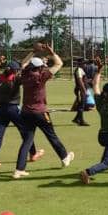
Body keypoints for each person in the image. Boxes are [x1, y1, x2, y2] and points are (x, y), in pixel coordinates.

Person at [13, 44, 75, 178]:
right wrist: (52, 52)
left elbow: (23, 63)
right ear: (40, 67)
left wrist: (33, 52)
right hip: (40, 112)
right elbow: (59, 63)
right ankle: (64, 157)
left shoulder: (25, 74)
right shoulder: (42, 76)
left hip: (26, 112)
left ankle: (19, 169)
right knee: (51, 136)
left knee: (27, 142)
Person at [0, 55, 42, 168]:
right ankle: (33, 154)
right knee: (26, 132)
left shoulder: (0, 78)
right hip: (13, 109)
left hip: (1, 109)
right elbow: (25, 72)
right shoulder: (16, 79)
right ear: (15, 70)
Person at [72, 58, 89, 126]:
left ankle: (76, 119)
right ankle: (81, 121)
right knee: (81, 106)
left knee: (81, 105)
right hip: (80, 90)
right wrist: (84, 90)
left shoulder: (81, 69)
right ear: (81, 64)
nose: (85, 64)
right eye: (84, 63)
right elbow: (80, 80)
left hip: (81, 89)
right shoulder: (79, 70)